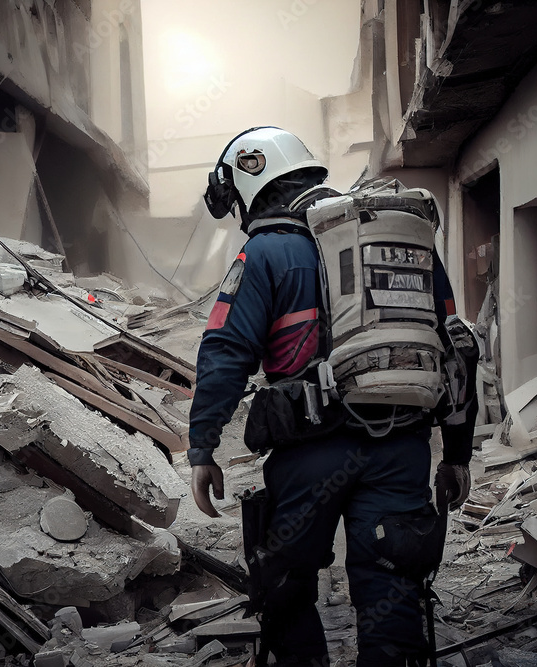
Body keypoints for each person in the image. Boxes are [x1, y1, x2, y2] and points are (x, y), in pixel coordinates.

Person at [189, 126, 474, 667]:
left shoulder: (267, 252)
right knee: (393, 582)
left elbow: (225, 351)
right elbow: (454, 349)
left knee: (284, 582)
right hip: (401, 446)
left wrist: (202, 446)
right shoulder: (403, 240)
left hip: (307, 453)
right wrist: (457, 453)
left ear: (251, 182)